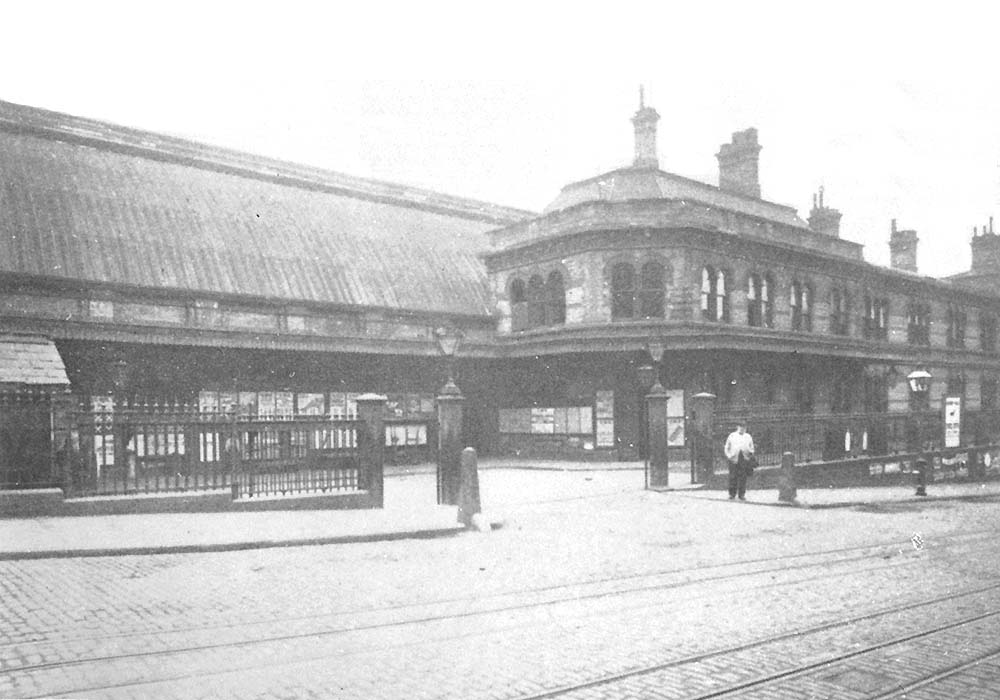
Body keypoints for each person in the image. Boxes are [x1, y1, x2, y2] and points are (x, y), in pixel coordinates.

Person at [724, 421, 755, 501]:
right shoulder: (732, 435)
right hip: (734, 458)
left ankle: (741, 494)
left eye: (744, 427)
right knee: (733, 476)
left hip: (744, 459)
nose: (742, 429)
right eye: (740, 427)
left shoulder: (748, 436)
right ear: (737, 427)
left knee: (743, 477)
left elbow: (751, 446)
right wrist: (729, 456)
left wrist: (751, 452)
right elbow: (727, 447)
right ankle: (732, 494)